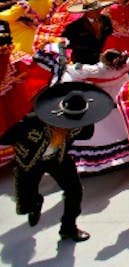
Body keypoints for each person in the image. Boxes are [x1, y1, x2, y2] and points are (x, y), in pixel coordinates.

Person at [0, 82, 114, 241]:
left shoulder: (78, 123)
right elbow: (5, 138)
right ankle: (35, 203)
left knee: (74, 190)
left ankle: (69, 228)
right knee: (26, 203)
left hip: (58, 158)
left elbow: (86, 135)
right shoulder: (31, 122)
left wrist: (89, 118)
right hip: (30, 162)